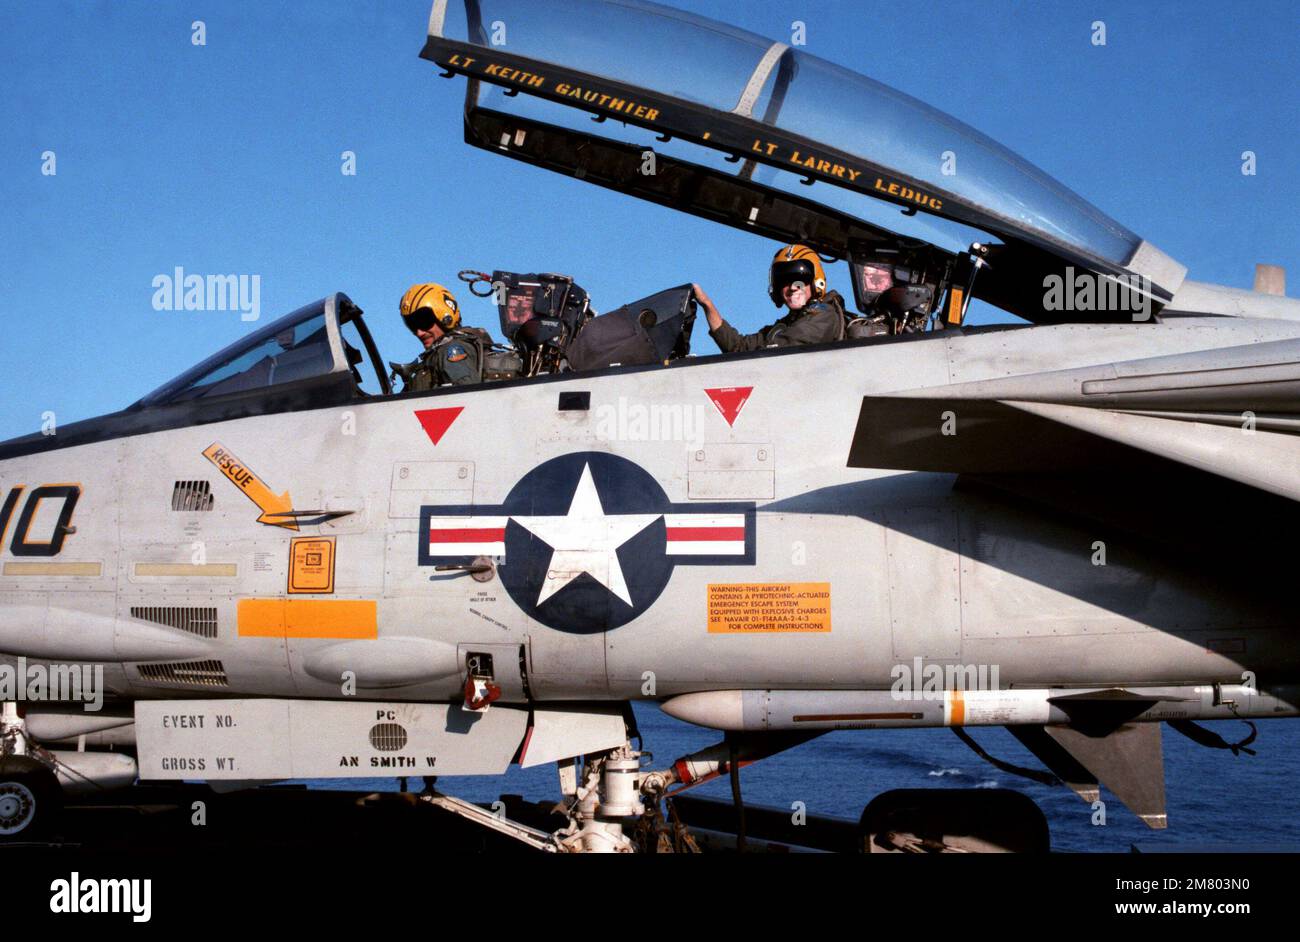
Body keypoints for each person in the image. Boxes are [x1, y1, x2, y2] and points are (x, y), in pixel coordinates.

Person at [694, 244, 847, 353]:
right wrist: (707, 304)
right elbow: (738, 347)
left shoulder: (825, 315)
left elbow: (788, 349)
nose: (793, 287)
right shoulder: (781, 328)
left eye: (799, 280)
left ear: (815, 282)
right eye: (784, 283)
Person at [396, 282, 485, 390]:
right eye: (412, 325)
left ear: (445, 318)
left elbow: (466, 396)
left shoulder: (452, 350)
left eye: (423, 322)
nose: (419, 333)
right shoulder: (434, 357)